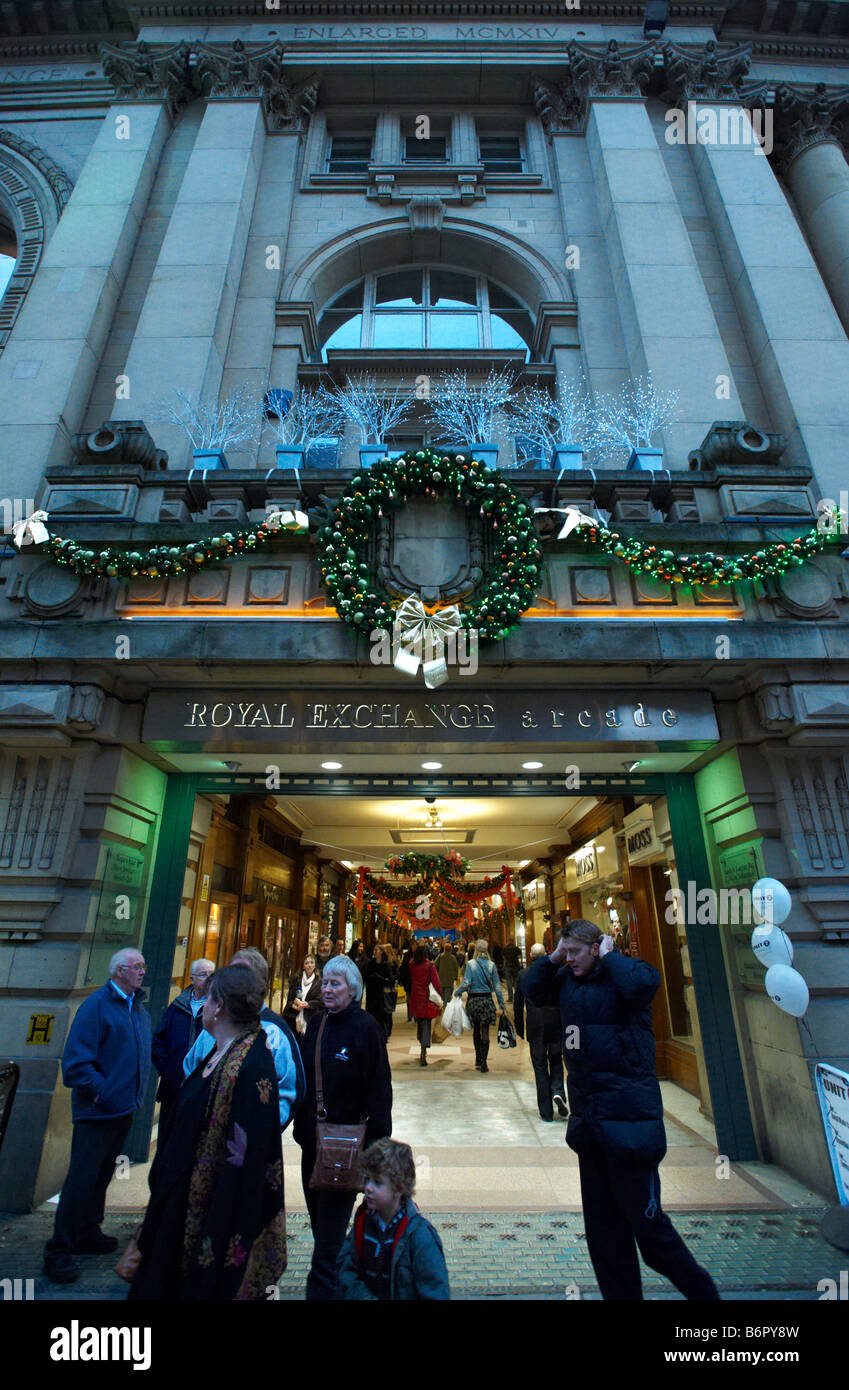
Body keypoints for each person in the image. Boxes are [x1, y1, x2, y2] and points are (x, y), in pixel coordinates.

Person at [522, 919, 720, 1301]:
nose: (570, 959)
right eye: (567, 953)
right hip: (591, 1127)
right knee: (605, 1236)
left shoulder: (628, 977)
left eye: (576, 952)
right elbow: (532, 990)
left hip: (630, 1127)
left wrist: (610, 956)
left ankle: (704, 1295)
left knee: (650, 1230)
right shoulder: (567, 981)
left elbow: (643, 985)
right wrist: (553, 957)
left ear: (599, 947)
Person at [129, 964, 286, 1300]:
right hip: (178, 1210)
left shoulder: (250, 1064)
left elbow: (247, 1161)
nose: (204, 1007)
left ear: (219, 1007)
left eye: (209, 999)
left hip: (211, 1221)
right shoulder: (221, 1052)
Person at [43, 948, 152, 1284]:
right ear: (119, 970)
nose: (143, 972)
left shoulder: (137, 1007)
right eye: (137, 967)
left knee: (103, 1174)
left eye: (144, 967)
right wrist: (103, 1092)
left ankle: (89, 1230)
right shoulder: (97, 1005)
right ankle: (59, 1248)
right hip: (97, 1112)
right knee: (81, 1179)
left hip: (122, 1110)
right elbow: (76, 1064)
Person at [294, 956, 392, 1300]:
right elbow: (301, 1081)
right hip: (312, 1148)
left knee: (326, 1245)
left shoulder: (366, 1029)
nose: (328, 988)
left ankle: (323, 1291)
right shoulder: (317, 1024)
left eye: (336, 983)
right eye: (326, 982)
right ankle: (345, 1284)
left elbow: (379, 1093)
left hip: (345, 1151)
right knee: (323, 1232)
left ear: (354, 989)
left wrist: (379, 1156)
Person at [182, 947, 304, 1131]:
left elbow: (290, 1090)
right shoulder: (214, 1026)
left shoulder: (274, 1033)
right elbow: (190, 1069)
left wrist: (261, 1132)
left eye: (240, 975)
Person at [336, 1139, 450, 1300]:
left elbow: (435, 1290)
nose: (368, 1187)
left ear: (399, 1188)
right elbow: (346, 1270)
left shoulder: (420, 1236)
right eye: (367, 1179)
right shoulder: (364, 1223)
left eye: (377, 1182)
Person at [151, 957, 214, 1146]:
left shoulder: (219, 1010)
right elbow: (158, 1041)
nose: (209, 978)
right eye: (204, 975)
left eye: (212, 974)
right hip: (174, 1088)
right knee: (167, 1141)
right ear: (192, 979)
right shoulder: (177, 1007)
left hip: (203, 1092)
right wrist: (167, 1069)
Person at [514, 944, 568, 1123]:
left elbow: (518, 1004)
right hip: (556, 1022)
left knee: (539, 1066)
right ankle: (558, 1091)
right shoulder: (557, 973)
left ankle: (545, 1111)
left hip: (536, 1026)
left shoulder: (523, 974)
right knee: (556, 1059)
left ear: (530, 955)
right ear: (546, 955)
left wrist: (519, 1027)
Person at [454, 939, 504, 1073]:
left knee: (476, 1030)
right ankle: (484, 1063)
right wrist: (501, 1003)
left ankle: (478, 1057)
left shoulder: (471, 964)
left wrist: (457, 992)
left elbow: (467, 983)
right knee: (485, 1030)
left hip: (474, 1001)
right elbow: (498, 986)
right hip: (487, 1000)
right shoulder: (491, 965)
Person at [408, 945, 442, 1067]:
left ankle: (421, 1042)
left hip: (415, 997)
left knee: (420, 1023)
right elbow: (436, 982)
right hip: (426, 998)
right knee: (426, 1023)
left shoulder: (412, 965)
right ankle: (423, 1051)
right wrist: (440, 995)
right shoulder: (429, 966)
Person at [284, 952, 323, 1040]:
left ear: (315, 965)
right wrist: (294, 1004)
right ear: (303, 966)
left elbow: (320, 1002)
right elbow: (289, 1000)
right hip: (294, 1018)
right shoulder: (296, 979)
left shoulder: (319, 982)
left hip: (310, 1018)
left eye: (312, 962)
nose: (309, 965)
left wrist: (308, 1004)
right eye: (306, 963)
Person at [364, 944, 395, 1039]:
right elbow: (366, 977)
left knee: (382, 1017)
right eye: (374, 950)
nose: (375, 952)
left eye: (377, 950)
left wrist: (380, 978)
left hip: (382, 996)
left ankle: (383, 1035)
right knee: (371, 1016)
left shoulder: (386, 965)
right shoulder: (370, 964)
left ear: (381, 952)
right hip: (372, 995)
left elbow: (391, 981)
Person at [502, 937, 523, 1003]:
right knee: (516, 981)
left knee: (509, 982)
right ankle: (517, 997)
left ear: (508, 941)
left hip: (508, 966)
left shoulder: (505, 948)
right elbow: (520, 955)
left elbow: (503, 956)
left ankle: (510, 998)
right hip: (515, 966)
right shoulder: (516, 948)